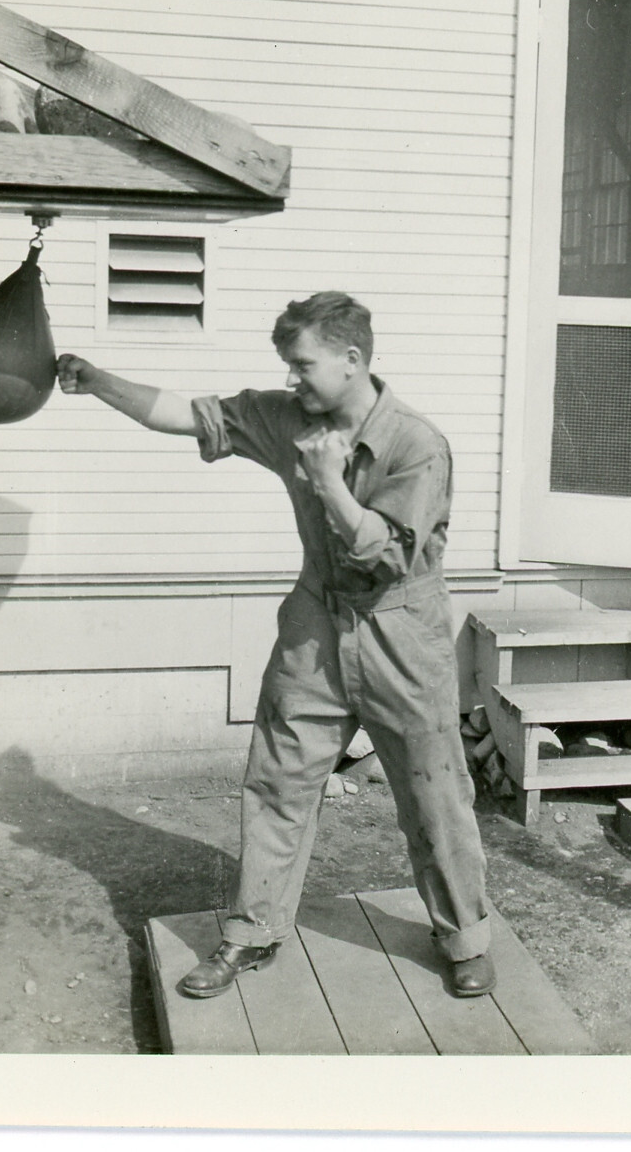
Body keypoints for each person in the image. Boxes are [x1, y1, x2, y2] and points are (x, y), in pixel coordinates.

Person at [57, 291, 494, 1000]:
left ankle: (464, 938)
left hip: (401, 634)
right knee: (278, 785)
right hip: (315, 629)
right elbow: (186, 413)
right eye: (287, 367)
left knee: (433, 794)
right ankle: (249, 933)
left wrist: (328, 481)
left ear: (352, 360)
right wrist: (98, 379)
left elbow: (383, 555)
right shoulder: (290, 416)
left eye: (303, 365)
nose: (292, 379)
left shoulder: (418, 445)